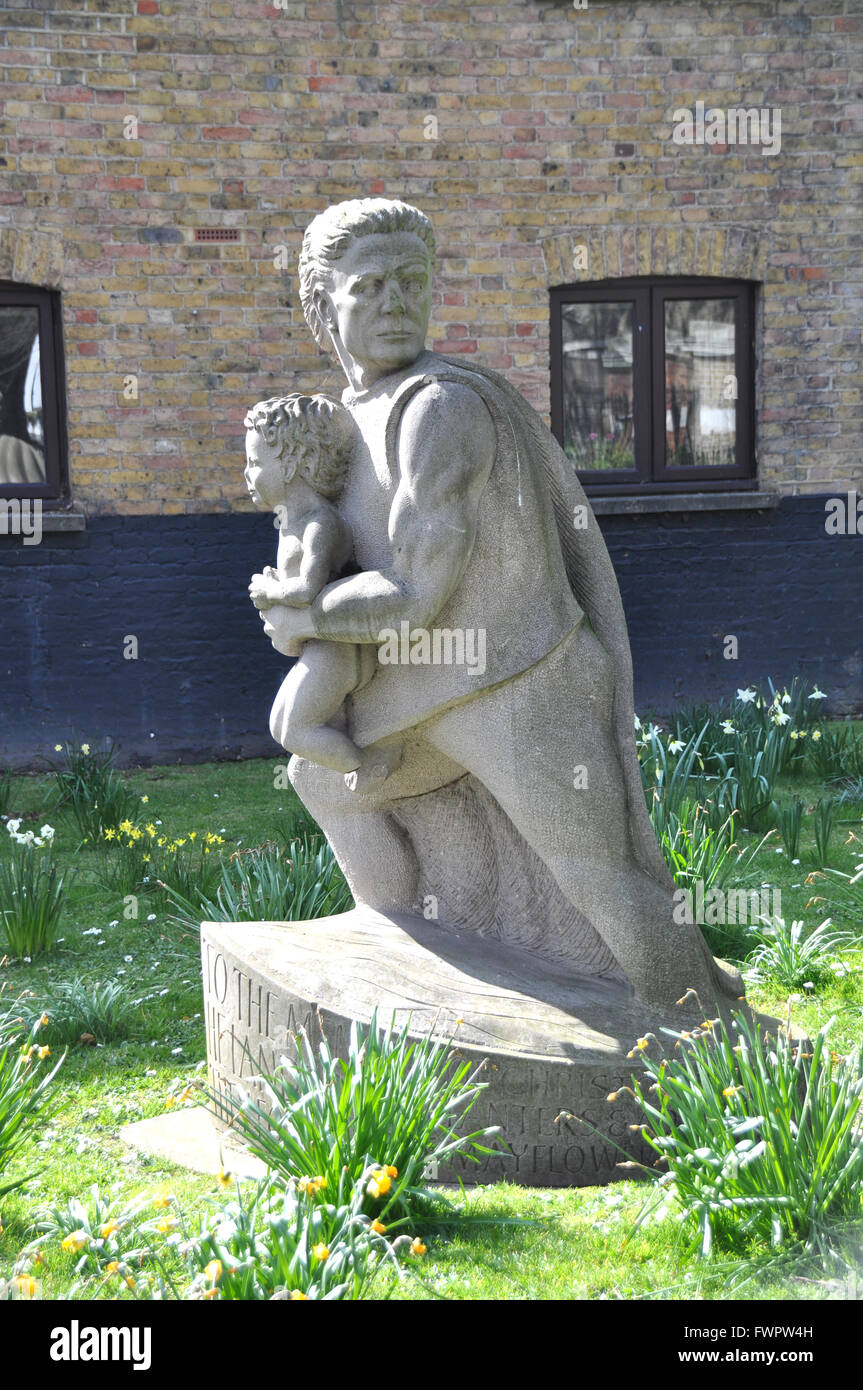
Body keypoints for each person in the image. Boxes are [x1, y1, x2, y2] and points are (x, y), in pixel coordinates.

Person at [258, 197, 743, 1013]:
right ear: (322, 307)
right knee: (325, 778)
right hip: (425, 689)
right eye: (368, 286)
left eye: (411, 282)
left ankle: (704, 1037)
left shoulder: (438, 408)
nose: (395, 303)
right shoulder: (352, 417)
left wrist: (307, 619)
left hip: (521, 682)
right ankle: (406, 933)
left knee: (600, 877)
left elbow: (413, 593)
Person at [244, 392, 399, 790]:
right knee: (280, 725)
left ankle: (368, 765)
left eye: (256, 462)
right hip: (317, 650)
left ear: (294, 462)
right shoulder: (291, 524)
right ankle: (354, 749)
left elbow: (309, 589)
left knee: (294, 729)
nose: (247, 473)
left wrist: (271, 589)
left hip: (338, 652)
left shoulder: (321, 525)